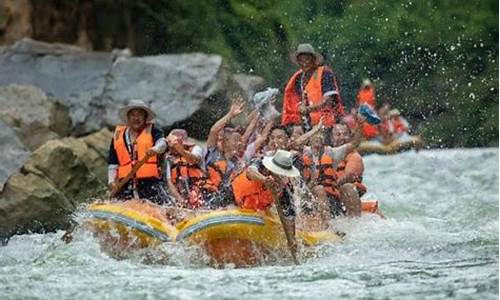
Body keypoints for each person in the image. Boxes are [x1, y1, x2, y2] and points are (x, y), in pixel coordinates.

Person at [107, 99, 172, 205]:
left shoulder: (154, 130)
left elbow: (163, 143)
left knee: (161, 204)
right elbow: (112, 164)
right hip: (125, 184)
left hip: (149, 184)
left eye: (140, 115)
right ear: (128, 118)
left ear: (145, 118)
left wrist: (155, 149)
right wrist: (111, 182)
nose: (136, 118)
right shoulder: (117, 136)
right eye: (133, 115)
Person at [302, 121, 363, 217]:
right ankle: (325, 225)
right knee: (319, 189)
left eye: (321, 133)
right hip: (308, 195)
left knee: (348, 187)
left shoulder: (332, 153)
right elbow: (293, 145)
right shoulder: (302, 151)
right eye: (315, 133)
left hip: (331, 197)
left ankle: (355, 223)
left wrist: (360, 123)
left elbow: (355, 143)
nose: (318, 136)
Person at [281, 43, 344, 131]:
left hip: (326, 125)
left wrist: (309, 109)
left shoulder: (325, 73)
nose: (304, 63)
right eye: (301, 60)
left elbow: (328, 100)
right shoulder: (298, 78)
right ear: (298, 62)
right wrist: (299, 108)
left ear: (314, 60)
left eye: (307, 59)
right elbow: (296, 100)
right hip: (305, 125)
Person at [201, 99, 245, 208]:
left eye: (240, 141)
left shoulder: (238, 163)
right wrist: (230, 115)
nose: (239, 143)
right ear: (225, 141)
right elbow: (214, 131)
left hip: (228, 202)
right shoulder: (214, 153)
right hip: (208, 198)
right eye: (235, 140)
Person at [164, 129, 206, 208]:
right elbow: (170, 183)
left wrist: (180, 150)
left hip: (201, 191)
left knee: (197, 200)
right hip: (182, 196)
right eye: (170, 146)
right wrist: (181, 201)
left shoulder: (196, 149)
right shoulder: (169, 158)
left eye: (173, 146)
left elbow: (194, 159)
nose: (171, 148)